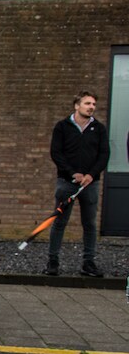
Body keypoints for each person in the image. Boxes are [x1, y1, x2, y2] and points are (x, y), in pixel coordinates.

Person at [44, 90, 109, 277]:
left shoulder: (99, 129)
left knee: (89, 223)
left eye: (93, 105)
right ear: (77, 105)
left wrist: (91, 174)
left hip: (91, 184)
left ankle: (88, 263)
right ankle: (53, 261)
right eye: (87, 103)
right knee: (59, 222)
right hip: (67, 183)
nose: (91, 107)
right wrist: (73, 173)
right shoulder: (62, 127)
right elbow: (56, 153)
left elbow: (104, 154)